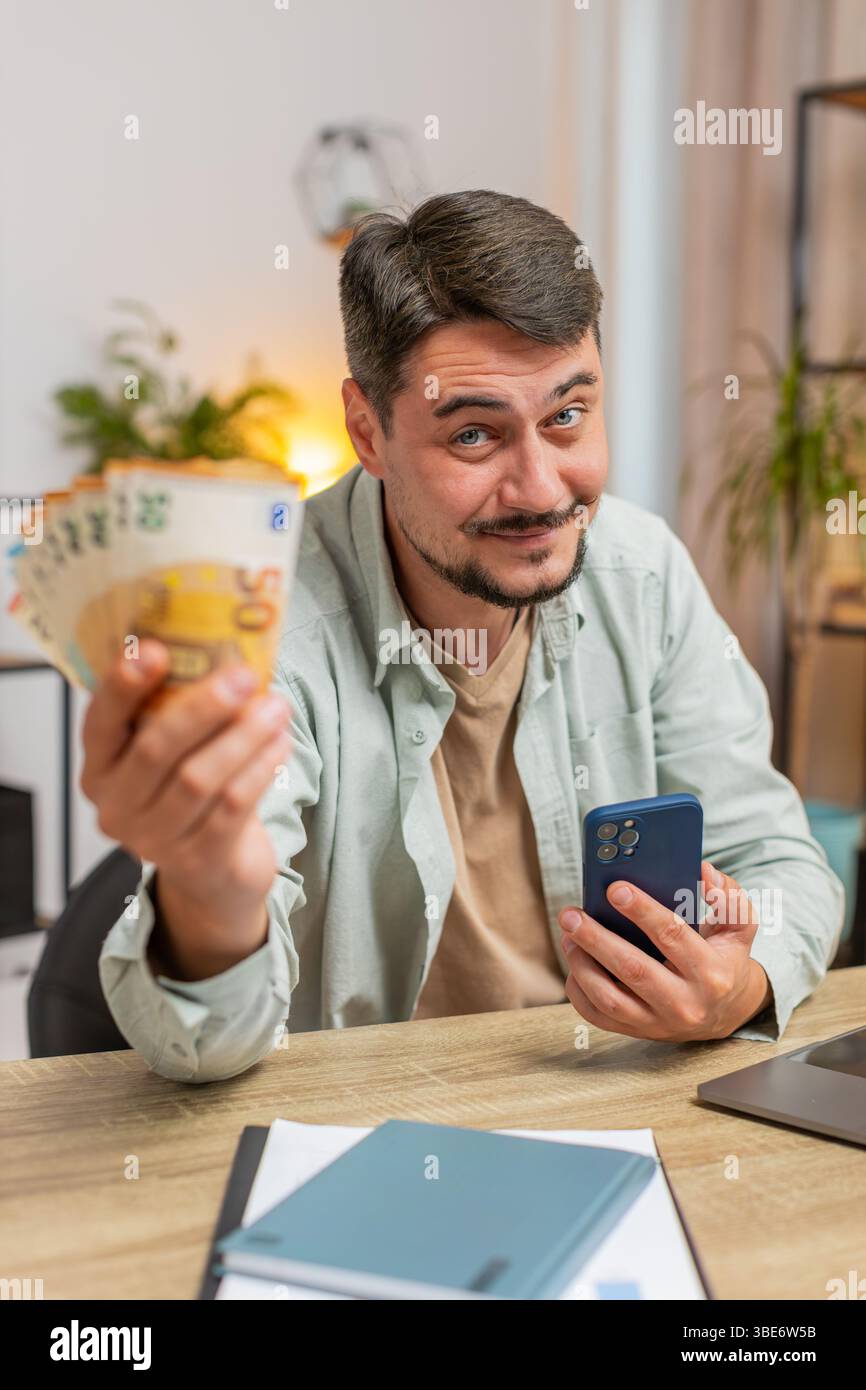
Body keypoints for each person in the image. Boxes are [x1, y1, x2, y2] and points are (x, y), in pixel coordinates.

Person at [81, 190, 844, 1083]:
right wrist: (209, 893)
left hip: (615, 1097)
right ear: (368, 430)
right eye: (475, 434)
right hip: (357, 1124)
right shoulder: (263, 625)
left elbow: (780, 862)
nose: (540, 489)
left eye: (567, 417)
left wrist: (740, 983)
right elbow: (207, 1047)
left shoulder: (643, 572)